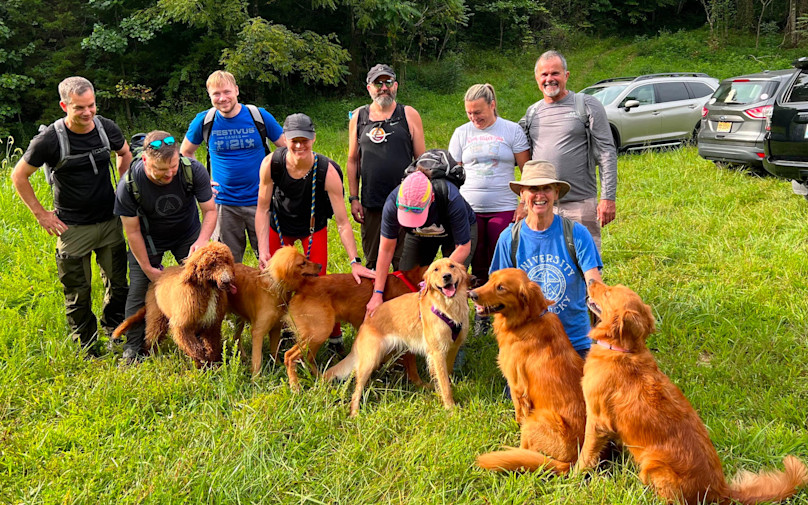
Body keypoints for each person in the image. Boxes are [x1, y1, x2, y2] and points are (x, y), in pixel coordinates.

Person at [11, 76, 132, 357]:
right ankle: (87, 347)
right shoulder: (49, 139)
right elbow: (19, 176)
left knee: (118, 284)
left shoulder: (106, 128)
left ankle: (114, 332)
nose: (87, 113)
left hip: (109, 220)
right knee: (78, 292)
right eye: (79, 108)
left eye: (91, 105)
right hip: (72, 226)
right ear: (64, 105)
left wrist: (123, 188)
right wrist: (41, 215)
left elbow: (124, 152)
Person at [255, 113, 375, 355]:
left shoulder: (327, 171)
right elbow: (262, 208)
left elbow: (342, 223)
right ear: (285, 139)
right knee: (277, 280)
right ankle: (284, 330)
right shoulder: (272, 164)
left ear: (314, 139)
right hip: (280, 224)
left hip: (313, 226)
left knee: (318, 280)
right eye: (294, 140)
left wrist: (354, 261)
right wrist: (264, 249)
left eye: (305, 140)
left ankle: (333, 335)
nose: (299, 146)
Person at [114, 131, 216, 362]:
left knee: (201, 281)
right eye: (161, 170)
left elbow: (209, 210)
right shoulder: (129, 184)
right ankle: (133, 348)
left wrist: (201, 242)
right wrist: (148, 268)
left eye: (173, 166)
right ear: (145, 160)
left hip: (188, 234)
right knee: (139, 289)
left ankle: (201, 334)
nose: (169, 173)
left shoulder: (193, 170)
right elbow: (132, 231)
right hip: (149, 239)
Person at [489, 160, 602, 358]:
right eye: (533, 189)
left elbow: (594, 282)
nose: (540, 195)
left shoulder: (577, 234)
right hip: (527, 341)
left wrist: (604, 307)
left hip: (574, 342)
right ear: (522, 194)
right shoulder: (509, 239)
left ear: (556, 193)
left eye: (546, 188)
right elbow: (496, 291)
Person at [449, 83, 530, 335]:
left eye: (479, 112)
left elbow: (526, 170)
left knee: (500, 261)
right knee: (474, 259)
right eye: (470, 113)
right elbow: (452, 174)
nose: (474, 118)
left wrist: (523, 203)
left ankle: (505, 312)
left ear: (492, 105)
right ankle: (479, 313)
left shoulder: (511, 130)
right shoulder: (462, 133)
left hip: (503, 206)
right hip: (469, 208)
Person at [181, 70, 286, 263]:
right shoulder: (205, 121)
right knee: (226, 266)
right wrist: (202, 182)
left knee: (271, 262)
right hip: (223, 205)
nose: (222, 98)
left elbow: (286, 148)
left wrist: (276, 179)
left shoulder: (258, 116)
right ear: (210, 96)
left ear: (237, 91)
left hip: (261, 202)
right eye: (216, 94)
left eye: (227, 92)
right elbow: (185, 152)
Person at [524, 50, 617, 250]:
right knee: (548, 264)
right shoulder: (532, 113)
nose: (550, 79)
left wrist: (608, 197)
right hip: (543, 205)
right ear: (537, 78)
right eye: (544, 74)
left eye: (555, 73)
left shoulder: (586, 104)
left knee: (586, 267)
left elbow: (607, 151)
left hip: (580, 204)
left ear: (566, 75)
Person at [365, 167, 476, 317]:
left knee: (449, 281)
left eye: (416, 213)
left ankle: (453, 327)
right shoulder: (392, 203)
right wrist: (377, 294)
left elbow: (463, 247)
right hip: (419, 234)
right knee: (406, 279)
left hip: (455, 237)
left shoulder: (451, 198)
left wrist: (434, 274)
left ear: (431, 198)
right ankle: (416, 324)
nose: (411, 218)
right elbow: (385, 250)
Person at [346, 63, 426, 269]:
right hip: (371, 201)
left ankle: (403, 301)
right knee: (373, 262)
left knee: (405, 263)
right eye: (378, 83)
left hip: (405, 201)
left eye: (388, 82)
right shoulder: (358, 118)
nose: (383, 87)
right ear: (369, 88)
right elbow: (353, 159)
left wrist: (423, 197)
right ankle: (376, 299)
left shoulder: (408, 114)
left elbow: (422, 161)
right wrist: (354, 198)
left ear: (395, 85)